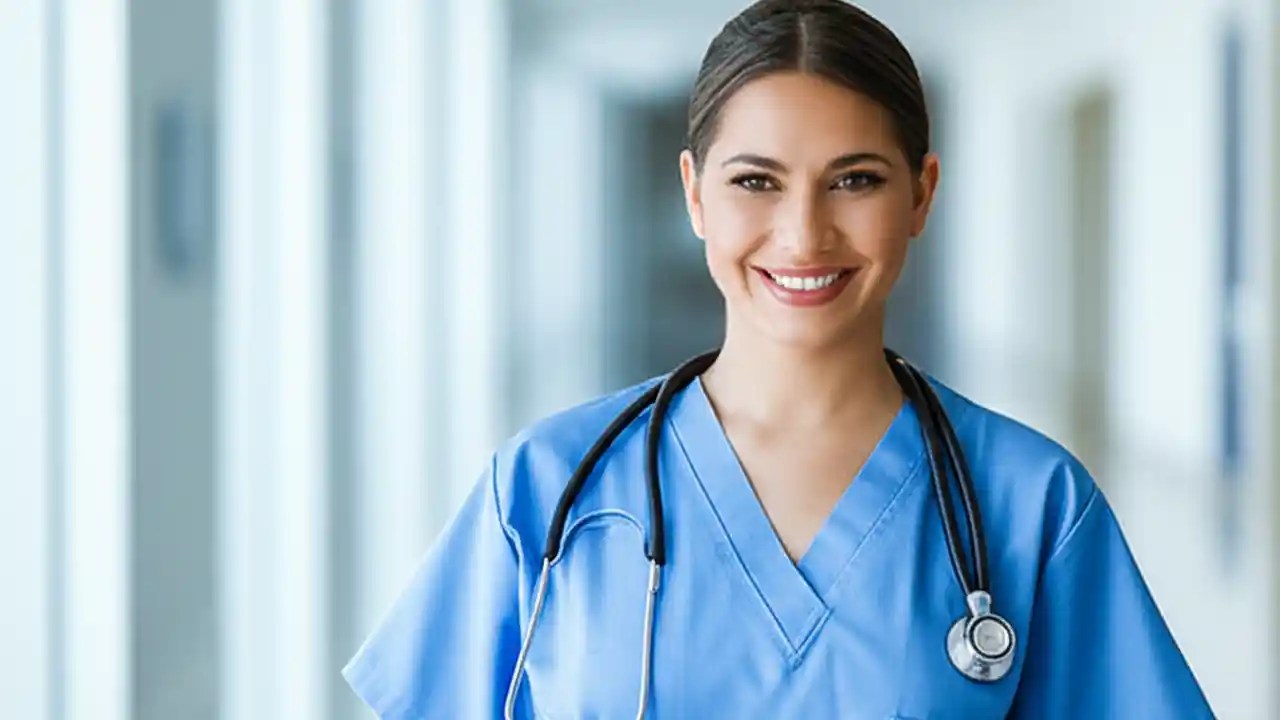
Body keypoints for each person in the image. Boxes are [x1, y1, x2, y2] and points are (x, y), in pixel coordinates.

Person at [342, 1, 1214, 717]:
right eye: (755, 181)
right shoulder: (548, 486)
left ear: (922, 194)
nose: (804, 234)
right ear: (695, 195)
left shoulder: (1030, 503)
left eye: (856, 180)